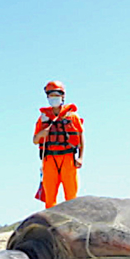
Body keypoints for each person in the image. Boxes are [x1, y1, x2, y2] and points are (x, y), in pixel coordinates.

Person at [32, 81, 85, 209]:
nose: (53, 98)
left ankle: (73, 223)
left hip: (68, 159)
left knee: (71, 196)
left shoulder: (72, 116)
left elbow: (80, 136)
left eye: (56, 95)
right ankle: (51, 226)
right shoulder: (43, 118)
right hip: (49, 160)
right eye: (51, 95)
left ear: (62, 96)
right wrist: (42, 134)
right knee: (50, 198)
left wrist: (80, 157)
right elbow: (35, 140)